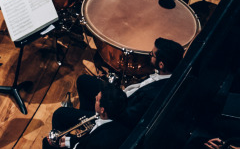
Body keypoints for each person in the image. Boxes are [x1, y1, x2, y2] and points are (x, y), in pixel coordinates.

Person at [50, 39, 183, 135]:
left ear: (161, 64)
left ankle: (85, 131)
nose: (150, 55)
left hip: (115, 112)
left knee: (59, 115)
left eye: (152, 55)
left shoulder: (153, 95)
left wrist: (103, 108)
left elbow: (126, 117)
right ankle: (89, 127)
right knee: (83, 81)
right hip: (121, 99)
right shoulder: (169, 74)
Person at [44, 85, 131, 149]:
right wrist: (67, 141)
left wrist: (60, 144)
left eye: (97, 100)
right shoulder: (119, 116)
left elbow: (83, 144)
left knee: (46, 143)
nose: (95, 97)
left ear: (102, 110)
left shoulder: (97, 141)